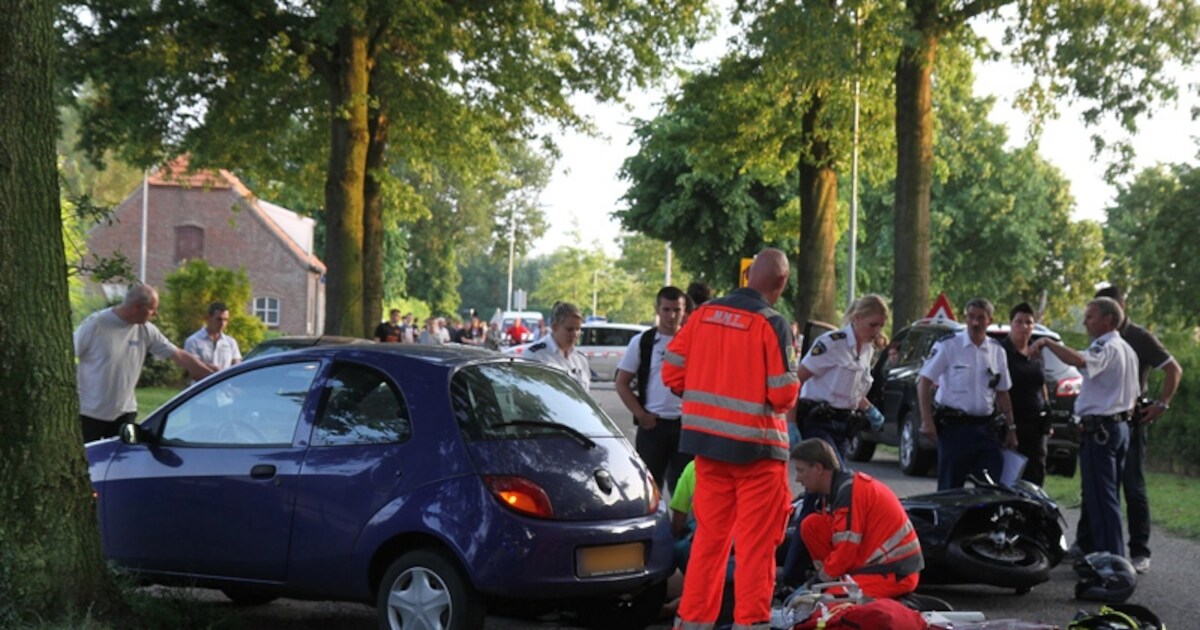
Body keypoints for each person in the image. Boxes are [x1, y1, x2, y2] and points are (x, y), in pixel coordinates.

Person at [663, 248, 799, 630]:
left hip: (708, 450)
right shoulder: (772, 323)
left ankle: (691, 622)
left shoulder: (703, 315)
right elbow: (783, 396)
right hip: (758, 454)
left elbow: (672, 374)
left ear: (748, 275)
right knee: (756, 549)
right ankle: (750, 625)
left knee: (708, 541)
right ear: (782, 283)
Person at [1071, 285, 1182, 573]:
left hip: (1123, 421)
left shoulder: (1135, 338)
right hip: (1116, 419)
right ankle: (1091, 546)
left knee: (1129, 487)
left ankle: (1131, 554)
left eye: (1092, 313)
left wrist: (1162, 404)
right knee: (1098, 491)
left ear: (1114, 312)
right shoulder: (1119, 342)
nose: (1086, 320)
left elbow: (1174, 369)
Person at [1035, 296, 1139, 558]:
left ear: (1108, 320)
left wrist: (1049, 343)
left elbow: (1081, 361)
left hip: (1102, 431)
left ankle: (1111, 561)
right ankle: (1099, 553)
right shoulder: (1127, 349)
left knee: (1102, 500)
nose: (1084, 321)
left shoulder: (1106, 346)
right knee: (1106, 496)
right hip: (1119, 427)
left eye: (1090, 316)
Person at [75, 284, 214, 442]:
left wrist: (213, 376)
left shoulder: (147, 330)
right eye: (152, 309)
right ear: (137, 307)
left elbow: (178, 355)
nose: (156, 314)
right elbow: (69, 354)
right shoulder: (96, 324)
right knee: (88, 462)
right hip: (89, 413)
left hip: (124, 413)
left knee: (123, 461)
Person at [792, 438, 924, 599]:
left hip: (894, 572)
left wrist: (815, 585)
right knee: (811, 525)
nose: (797, 479)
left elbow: (845, 551)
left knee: (828, 605)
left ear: (818, 468)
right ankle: (833, 581)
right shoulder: (837, 490)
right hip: (879, 565)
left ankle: (833, 585)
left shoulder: (848, 493)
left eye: (801, 471)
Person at [918, 298, 1016, 490]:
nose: (975, 323)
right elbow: (924, 382)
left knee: (991, 489)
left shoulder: (997, 350)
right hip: (955, 429)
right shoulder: (949, 345)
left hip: (986, 429)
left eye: (981, 318)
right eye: (971, 317)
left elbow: (1003, 393)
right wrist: (926, 420)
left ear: (990, 320)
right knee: (950, 490)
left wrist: (1011, 428)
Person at [790, 294, 889, 466]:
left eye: (881, 326)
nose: (877, 331)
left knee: (829, 485)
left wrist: (870, 410)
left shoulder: (867, 350)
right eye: (872, 325)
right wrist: (790, 423)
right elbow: (795, 381)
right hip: (819, 422)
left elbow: (850, 392)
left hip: (843, 426)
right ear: (857, 318)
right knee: (832, 477)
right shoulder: (832, 344)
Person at [615, 286, 692, 492]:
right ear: (657, 310)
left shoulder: (694, 341)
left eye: (677, 309)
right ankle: (653, 523)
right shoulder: (643, 342)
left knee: (684, 488)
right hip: (653, 425)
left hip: (686, 425)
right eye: (666, 309)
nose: (671, 315)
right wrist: (641, 414)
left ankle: (680, 525)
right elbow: (621, 382)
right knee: (649, 487)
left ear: (684, 311)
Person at [1000, 302, 1050, 485]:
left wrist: (1047, 412)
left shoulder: (1035, 353)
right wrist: (1009, 426)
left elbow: (1041, 384)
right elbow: (999, 390)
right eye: (1019, 322)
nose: (1024, 327)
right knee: (1010, 477)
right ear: (1011, 324)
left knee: (1035, 475)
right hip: (1011, 424)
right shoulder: (1001, 351)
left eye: (1028, 322)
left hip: (1036, 427)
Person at [526, 302, 590, 391]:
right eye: (569, 329)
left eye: (578, 329)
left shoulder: (580, 359)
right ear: (554, 327)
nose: (575, 334)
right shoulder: (536, 356)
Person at [183, 302, 242, 375]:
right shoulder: (193, 341)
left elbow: (237, 367)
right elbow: (192, 368)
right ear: (208, 318)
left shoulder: (231, 342)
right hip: (203, 385)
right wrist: (211, 369)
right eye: (218, 319)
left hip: (225, 385)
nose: (222, 323)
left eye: (225, 320)